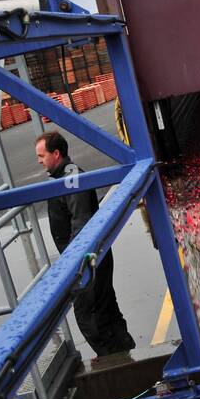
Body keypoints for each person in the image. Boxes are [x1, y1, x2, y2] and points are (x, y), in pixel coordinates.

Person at [34, 130, 136, 356]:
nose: (39, 161)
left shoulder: (70, 178)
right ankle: (123, 350)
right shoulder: (66, 176)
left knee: (89, 315)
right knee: (105, 306)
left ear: (56, 154)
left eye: (42, 156)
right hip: (93, 256)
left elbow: (81, 220)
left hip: (86, 260)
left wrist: (75, 264)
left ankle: (113, 359)